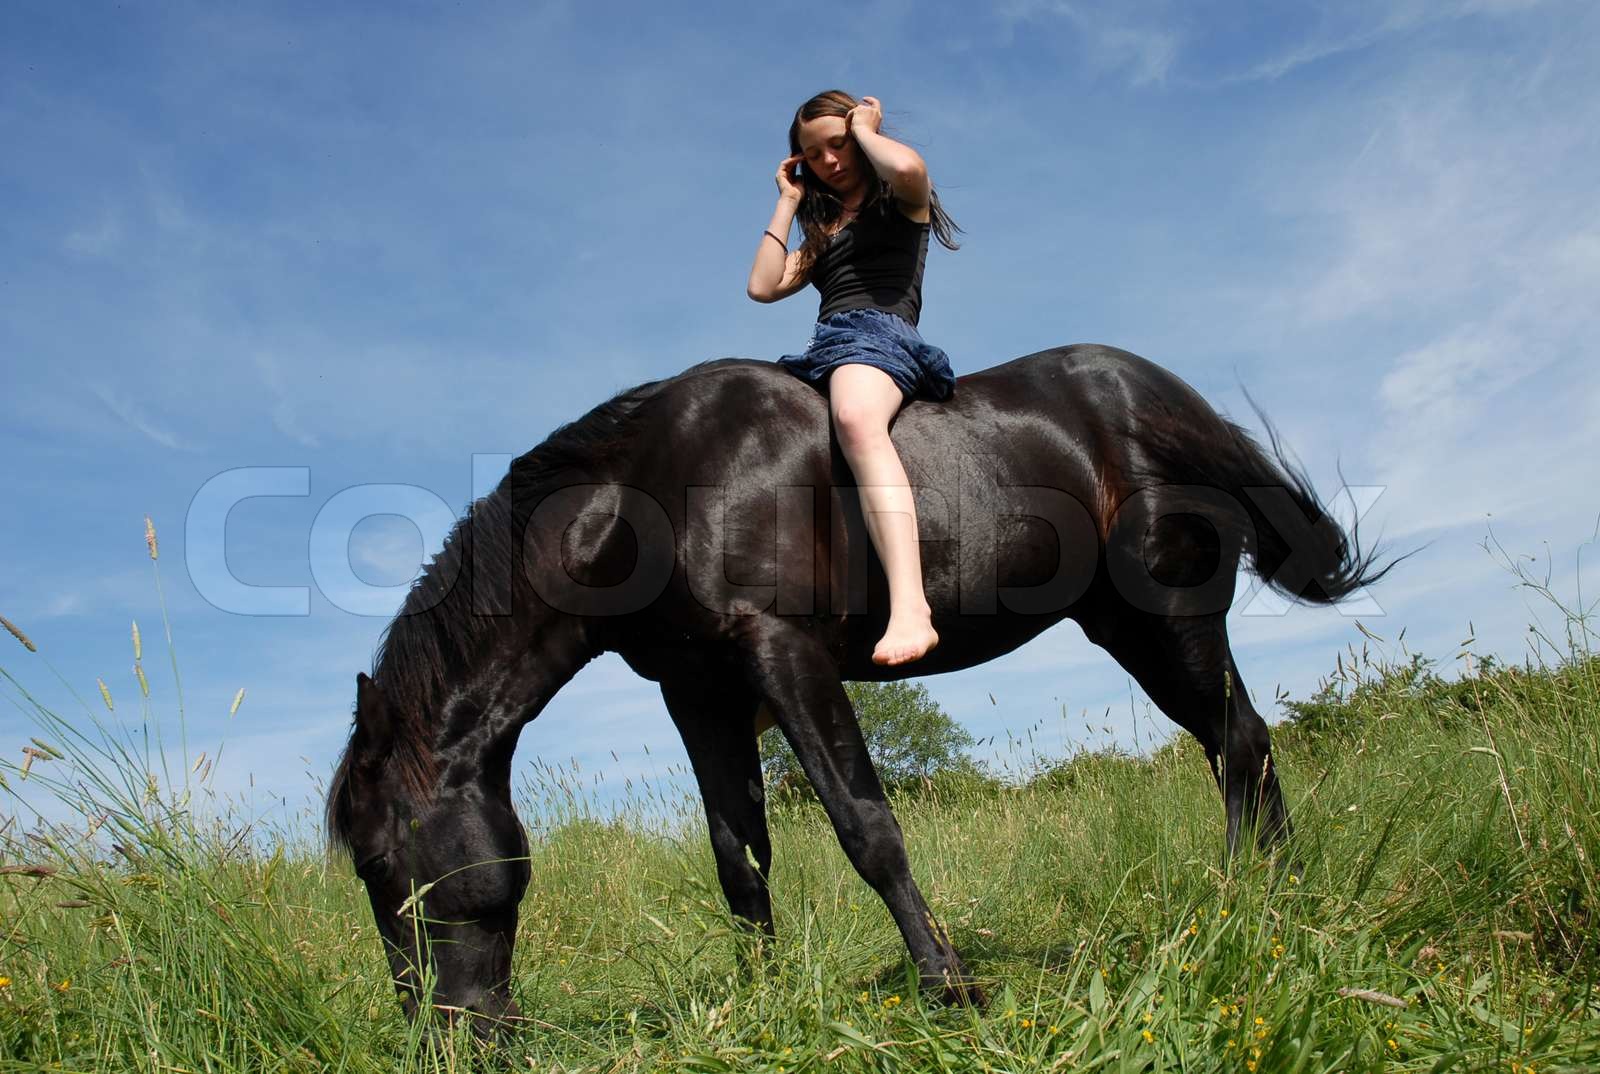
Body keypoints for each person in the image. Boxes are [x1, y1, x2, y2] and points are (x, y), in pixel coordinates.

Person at [746, 90, 962, 666]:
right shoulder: (822, 231)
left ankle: (913, 605)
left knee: (855, 417)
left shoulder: (900, 198)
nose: (829, 161)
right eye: (813, 155)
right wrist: (788, 202)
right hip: (825, 348)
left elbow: (911, 167)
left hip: (881, 334)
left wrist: (866, 130)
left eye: (837, 145)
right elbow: (762, 286)